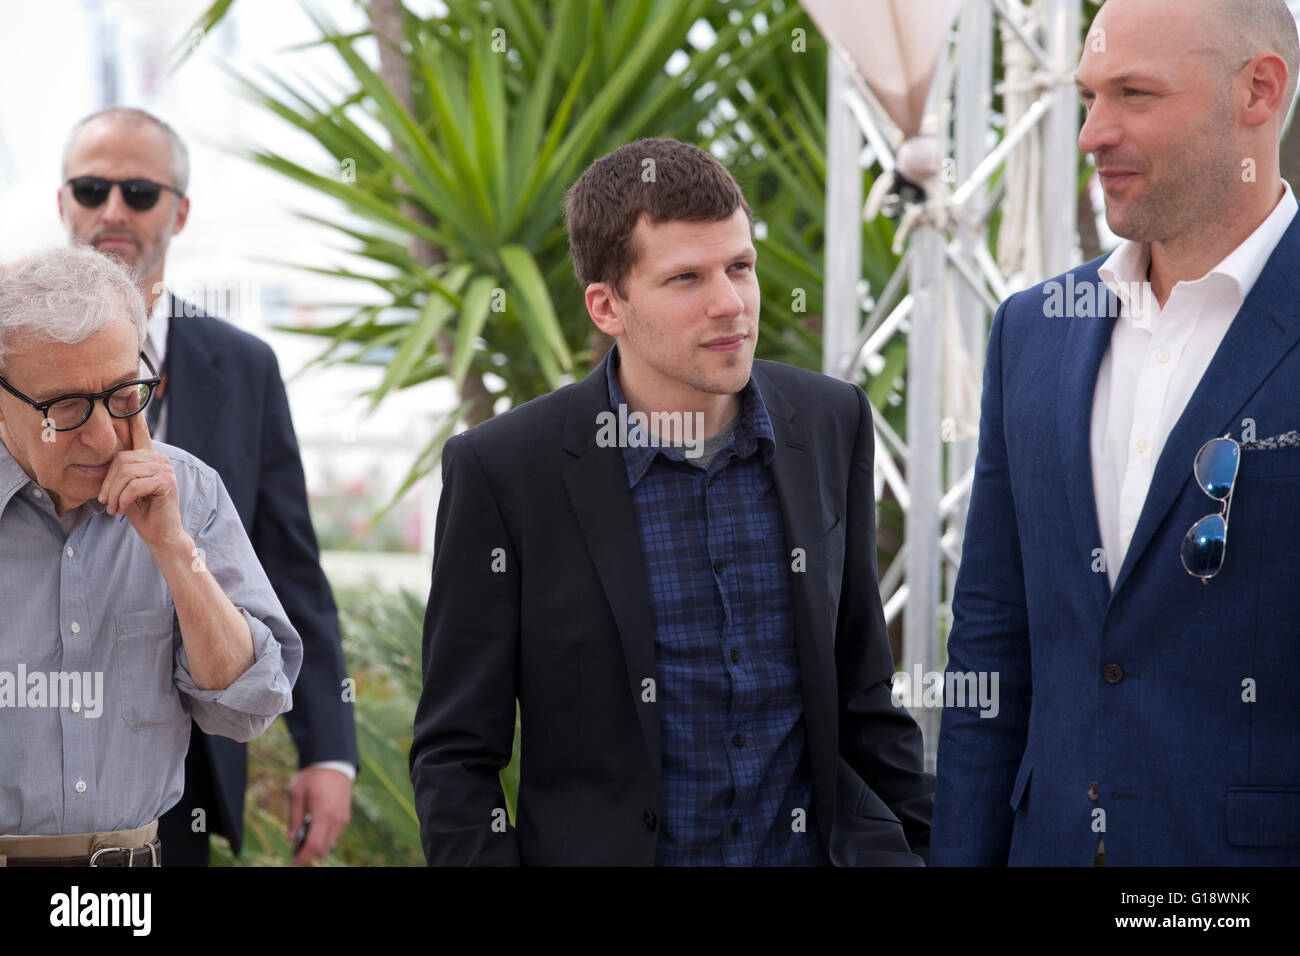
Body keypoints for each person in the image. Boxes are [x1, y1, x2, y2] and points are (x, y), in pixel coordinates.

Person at [409, 137, 933, 866]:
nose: (731, 304)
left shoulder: (831, 421)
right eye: (686, 278)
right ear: (607, 306)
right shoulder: (505, 471)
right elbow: (456, 757)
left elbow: (865, 701)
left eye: (740, 267)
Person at [932, 0, 1300, 865]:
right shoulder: (1032, 330)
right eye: (1089, 96)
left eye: (1134, 93)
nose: (1093, 132)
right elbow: (991, 639)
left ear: (1259, 90)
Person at [58, 107, 357, 866]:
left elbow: (288, 565)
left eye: (139, 191)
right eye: (91, 189)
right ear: (62, 203)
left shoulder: (245, 365)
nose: (113, 210)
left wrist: (329, 751)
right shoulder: (10, 358)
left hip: (189, 764)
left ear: (180, 210)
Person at [0, 246, 301, 866]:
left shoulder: (188, 494)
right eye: (66, 408)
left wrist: (173, 548)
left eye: (122, 394)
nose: (105, 436)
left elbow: (250, 706)